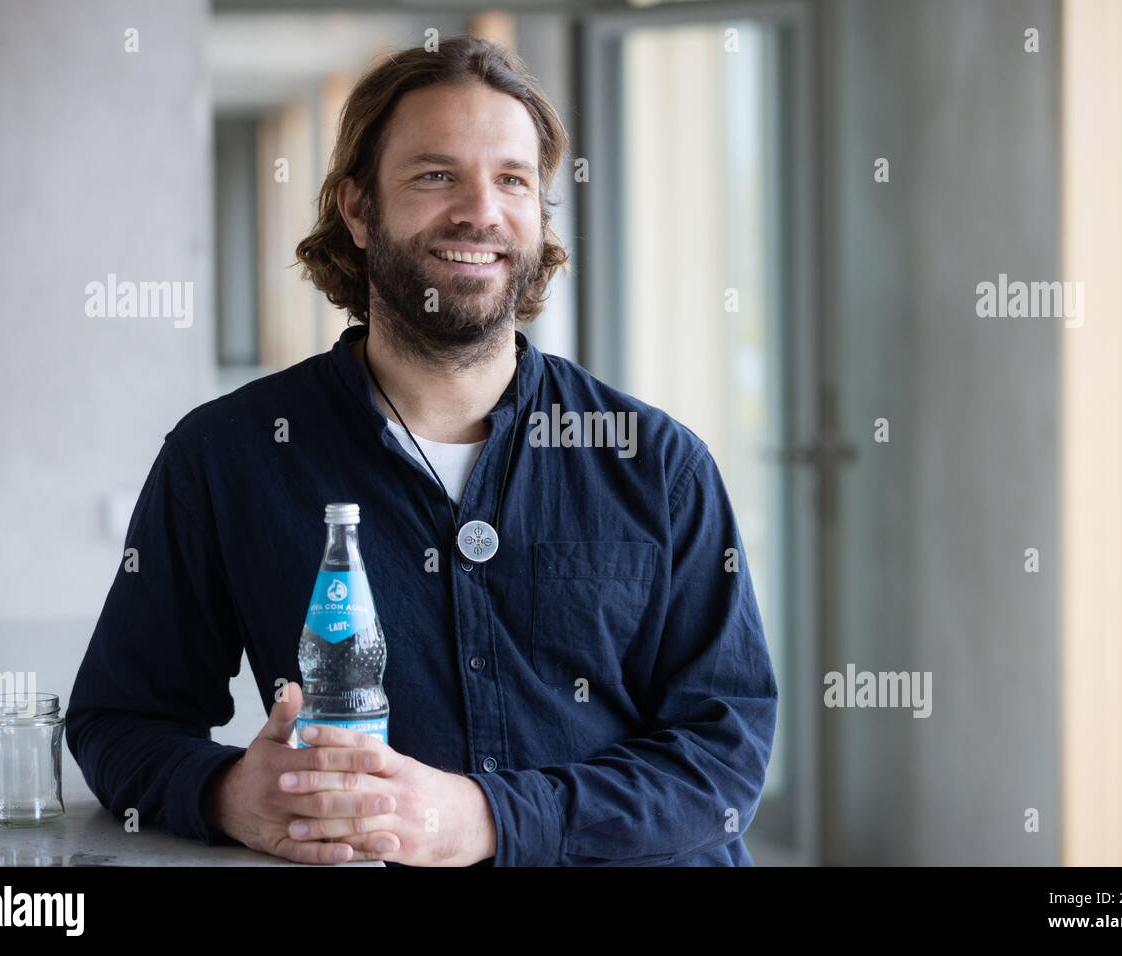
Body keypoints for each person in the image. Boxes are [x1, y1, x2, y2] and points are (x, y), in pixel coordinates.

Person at [67, 35, 777, 866]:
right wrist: (227, 793)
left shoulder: (656, 463)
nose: (481, 209)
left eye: (512, 179)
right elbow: (118, 722)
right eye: (436, 175)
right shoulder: (227, 458)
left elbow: (724, 755)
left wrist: (486, 818)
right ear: (358, 210)